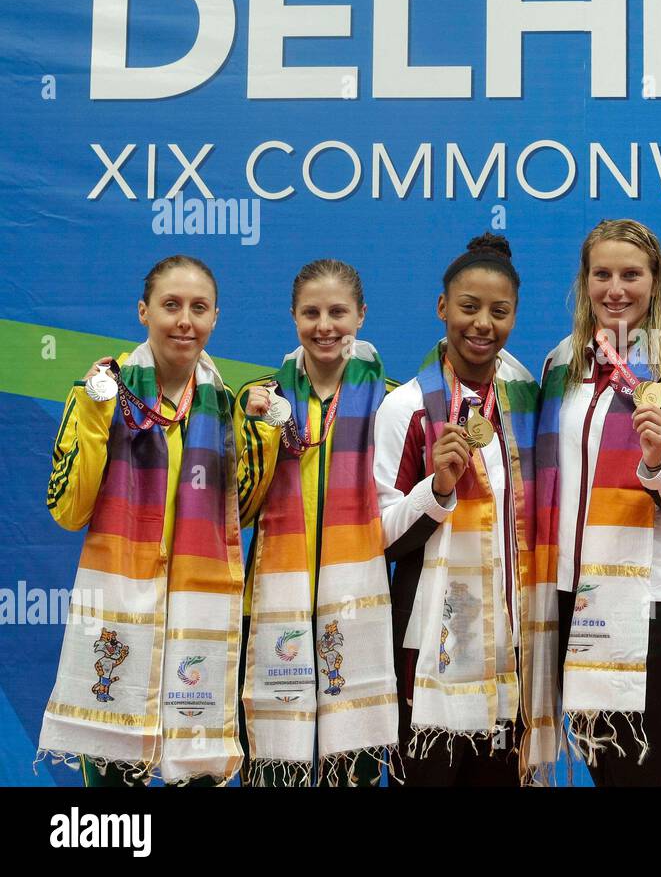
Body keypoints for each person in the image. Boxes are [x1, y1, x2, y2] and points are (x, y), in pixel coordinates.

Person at [38, 255, 244, 786]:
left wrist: (270, 432)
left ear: (215, 318)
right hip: (123, 611)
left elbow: (243, 510)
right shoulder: (100, 394)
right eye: (170, 305)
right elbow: (68, 511)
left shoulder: (230, 409)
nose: (184, 320)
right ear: (143, 311)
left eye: (198, 308)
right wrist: (92, 412)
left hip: (197, 613)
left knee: (198, 777)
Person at [538, 218, 661, 786]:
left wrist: (658, 463)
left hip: (651, 601)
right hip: (570, 597)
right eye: (602, 274)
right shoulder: (560, 366)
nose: (615, 289)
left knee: (649, 770)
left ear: (656, 281)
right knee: (602, 768)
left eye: (631, 275)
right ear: (584, 281)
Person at [374, 234, 557, 786]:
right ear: (442, 309)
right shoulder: (405, 406)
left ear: (514, 317)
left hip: (512, 645)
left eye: (498, 312)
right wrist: (438, 488)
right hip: (429, 644)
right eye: (468, 307)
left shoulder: (527, 399)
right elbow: (381, 535)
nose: (482, 324)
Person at [236, 259, 399, 786]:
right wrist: (261, 433)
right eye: (311, 313)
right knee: (273, 768)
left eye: (338, 312)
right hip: (272, 606)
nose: (324, 325)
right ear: (293, 318)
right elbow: (236, 510)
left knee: (352, 771)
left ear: (362, 316)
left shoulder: (394, 401)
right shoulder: (259, 399)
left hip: (359, 608)